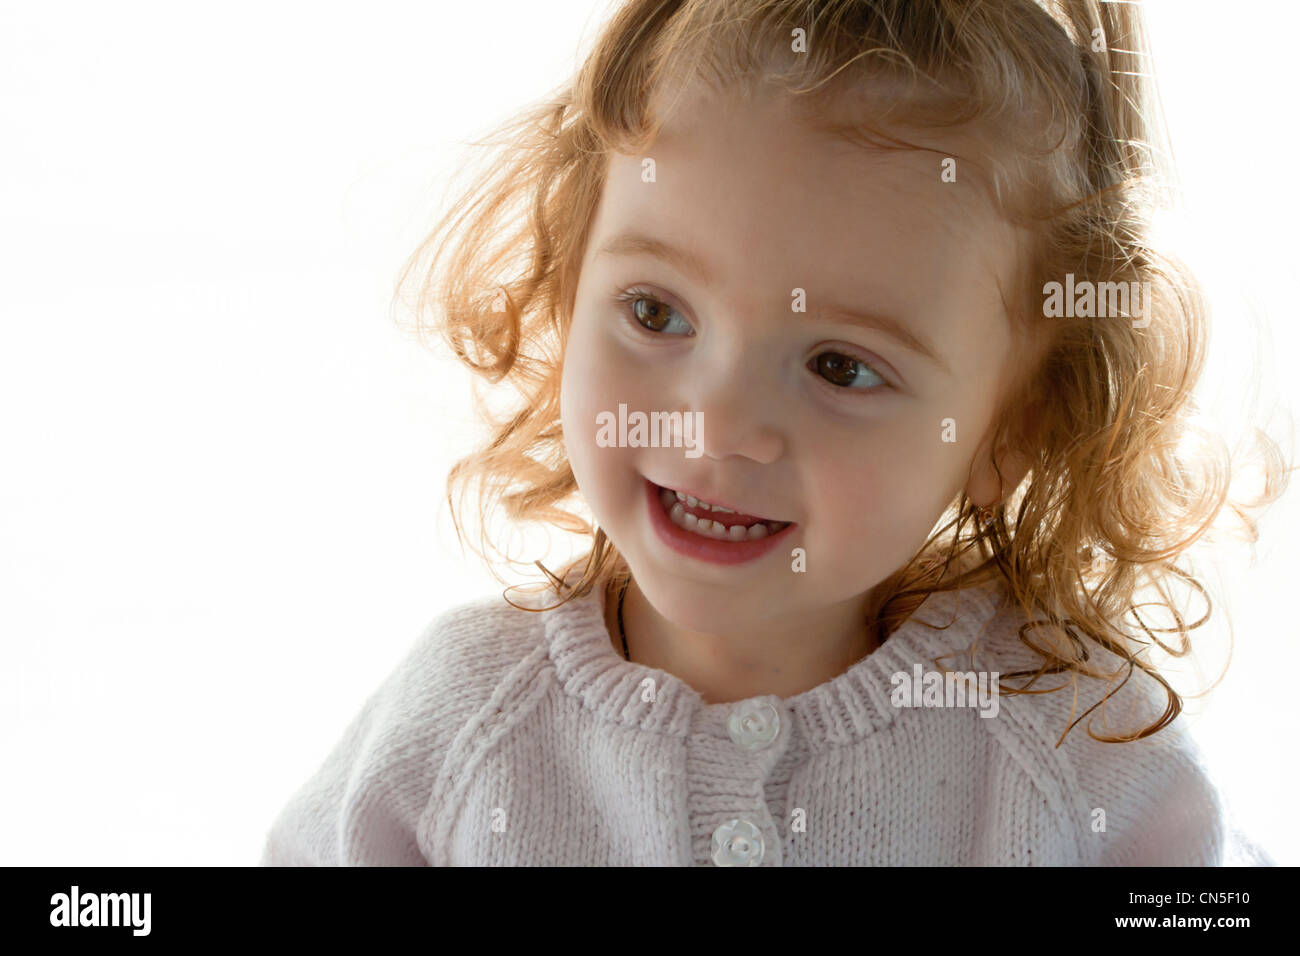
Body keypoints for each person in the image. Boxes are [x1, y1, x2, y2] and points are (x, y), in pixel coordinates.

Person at [259, 0, 1289, 866]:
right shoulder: (457, 729)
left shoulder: (1078, 751)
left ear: (1008, 433)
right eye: (656, 312)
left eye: (840, 365)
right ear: (566, 286)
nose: (715, 423)